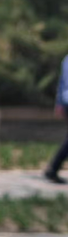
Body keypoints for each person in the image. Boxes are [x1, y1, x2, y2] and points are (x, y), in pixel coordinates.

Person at [44, 54, 68, 184]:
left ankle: (53, 168)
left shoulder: (66, 59)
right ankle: (53, 169)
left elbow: (62, 82)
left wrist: (59, 103)